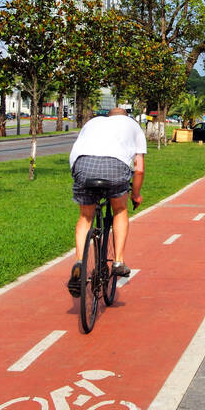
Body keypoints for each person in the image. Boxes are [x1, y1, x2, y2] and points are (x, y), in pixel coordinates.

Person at [66, 106, 146, 295]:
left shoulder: (92, 122)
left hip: (83, 165)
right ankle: (118, 260)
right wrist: (136, 194)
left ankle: (79, 262)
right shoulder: (133, 126)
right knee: (119, 209)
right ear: (126, 117)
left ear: (107, 116)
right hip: (115, 166)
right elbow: (139, 168)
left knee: (85, 216)